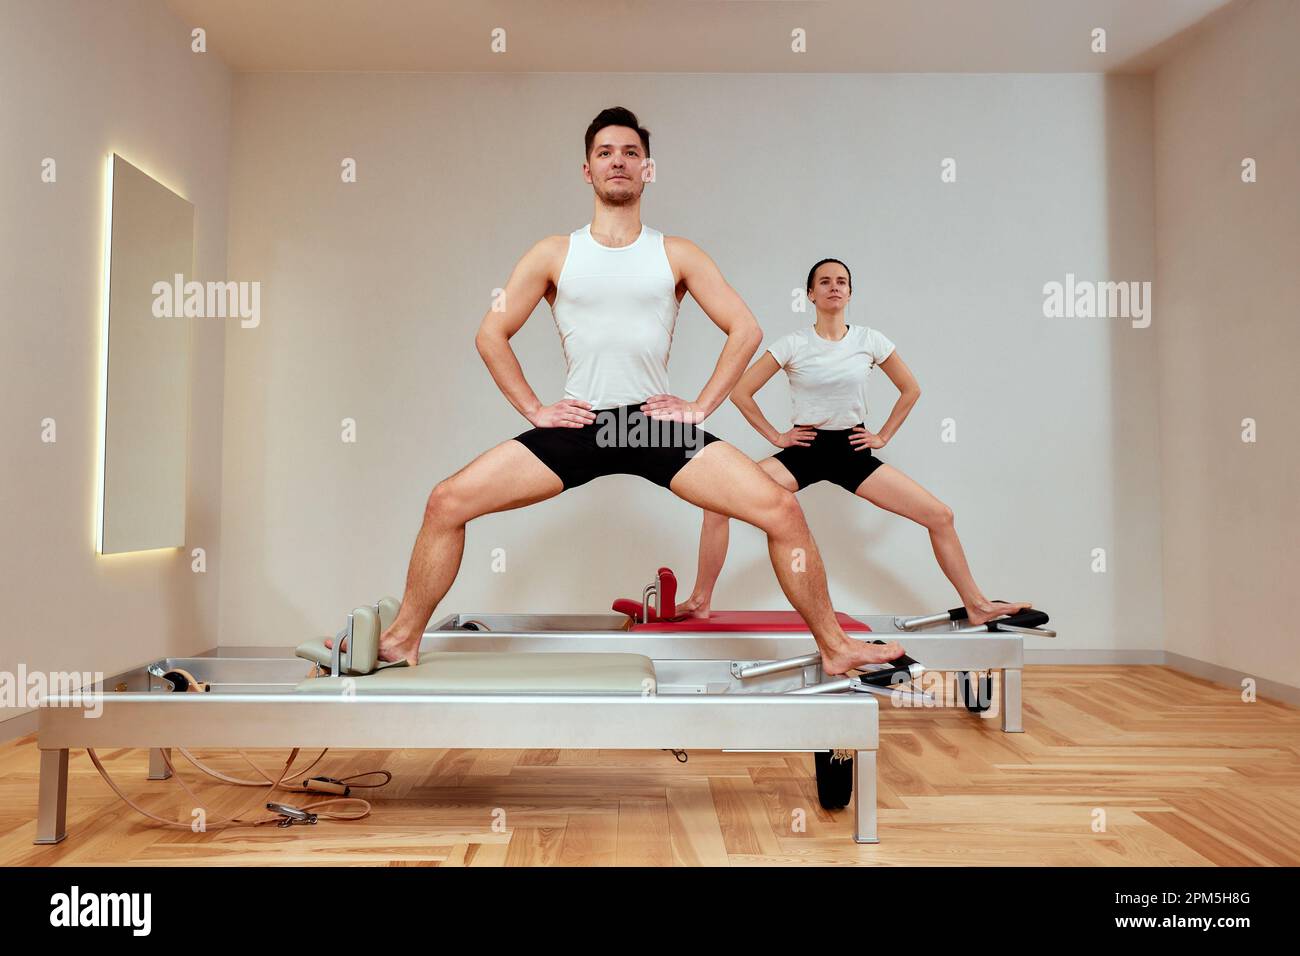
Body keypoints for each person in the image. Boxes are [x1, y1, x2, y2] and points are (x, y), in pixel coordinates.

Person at [329, 108, 909, 676]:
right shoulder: (553, 253)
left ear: (647, 169)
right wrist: (534, 409)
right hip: (583, 424)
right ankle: (404, 637)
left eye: (631, 153)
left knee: (781, 510)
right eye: (605, 152)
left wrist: (701, 406)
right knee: (446, 501)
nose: (618, 162)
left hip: (650, 424)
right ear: (587, 170)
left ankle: (836, 647)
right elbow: (491, 335)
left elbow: (746, 328)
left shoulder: (676, 253)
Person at [678, 257, 1031, 627]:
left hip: (852, 453)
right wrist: (777, 436)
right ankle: (700, 600)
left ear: (849, 292)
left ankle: (977, 604)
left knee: (941, 516)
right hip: (805, 453)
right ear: (810, 294)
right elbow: (741, 392)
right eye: (825, 281)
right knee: (716, 504)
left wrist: (882, 436)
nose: (834, 287)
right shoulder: (793, 344)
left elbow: (910, 390)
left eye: (841, 281)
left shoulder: (870, 340)